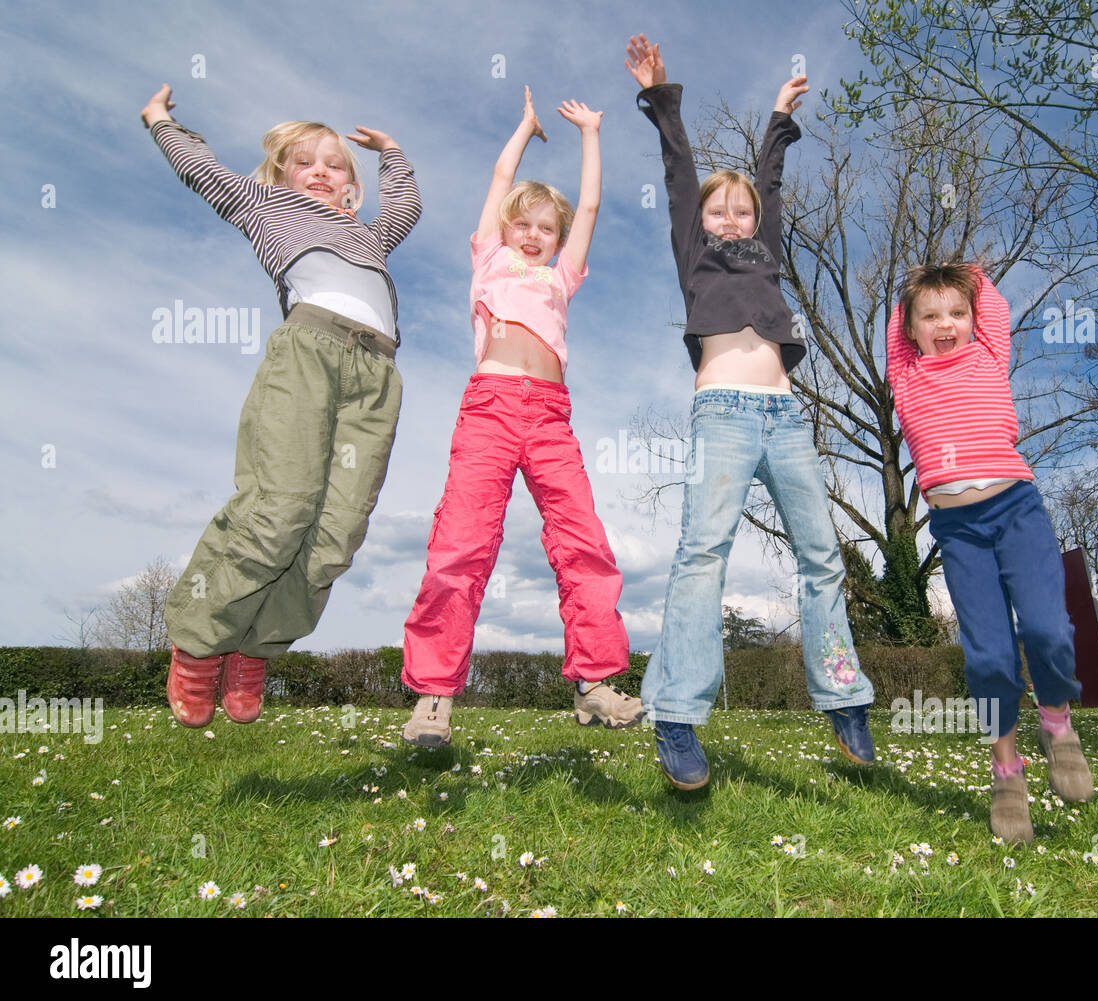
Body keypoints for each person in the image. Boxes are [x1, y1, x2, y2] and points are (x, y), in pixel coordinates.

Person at [626, 36, 874, 791]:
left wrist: (777, 117)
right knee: (704, 555)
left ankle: (842, 694)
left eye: (742, 211)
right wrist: (661, 94)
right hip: (723, 414)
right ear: (702, 221)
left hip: (787, 417)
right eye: (720, 210)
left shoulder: (764, 250)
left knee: (822, 555)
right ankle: (677, 714)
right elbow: (677, 173)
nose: (733, 219)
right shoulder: (693, 253)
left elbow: (770, 174)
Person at [141, 83, 421, 729]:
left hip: (377, 372)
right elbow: (200, 170)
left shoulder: (369, 235)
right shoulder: (266, 206)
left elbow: (407, 204)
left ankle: (256, 650)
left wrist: (393, 153)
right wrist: (159, 120)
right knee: (281, 507)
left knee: (336, 531)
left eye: (334, 164)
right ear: (279, 173)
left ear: (350, 185)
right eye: (305, 161)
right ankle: (201, 642)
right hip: (309, 352)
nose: (320, 171)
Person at [401, 87, 641, 748]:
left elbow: (589, 202)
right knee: (462, 544)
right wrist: (525, 127)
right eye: (524, 224)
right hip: (489, 408)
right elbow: (502, 178)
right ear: (504, 230)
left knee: (584, 541)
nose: (534, 235)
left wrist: (591, 132)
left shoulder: (562, 277)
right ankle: (432, 698)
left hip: (551, 417)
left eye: (546, 227)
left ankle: (594, 685)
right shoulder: (489, 258)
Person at [885, 262, 1094, 844]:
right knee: (989, 659)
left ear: (976, 321)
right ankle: (1007, 773)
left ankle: (1057, 724)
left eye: (957, 313)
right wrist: (916, 281)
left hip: (1017, 512)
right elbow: (892, 324)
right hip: (959, 529)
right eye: (930, 316)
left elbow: (994, 301)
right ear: (911, 329)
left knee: (1050, 631)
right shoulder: (906, 374)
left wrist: (957, 271)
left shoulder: (988, 356)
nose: (945, 324)